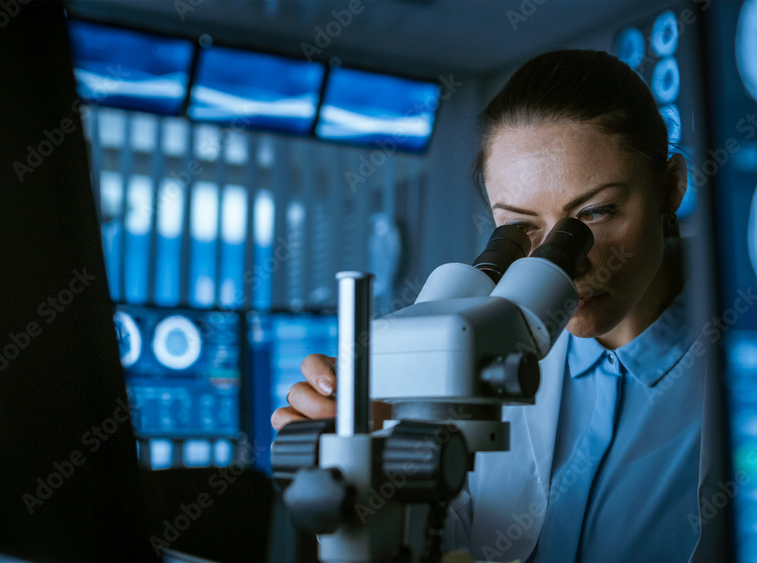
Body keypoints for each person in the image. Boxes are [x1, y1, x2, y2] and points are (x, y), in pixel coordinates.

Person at [272, 50, 726, 562]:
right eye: (519, 229)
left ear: (670, 189)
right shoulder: (483, 348)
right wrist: (371, 456)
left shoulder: (753, 363)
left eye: (594, 213)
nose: (566, 265)